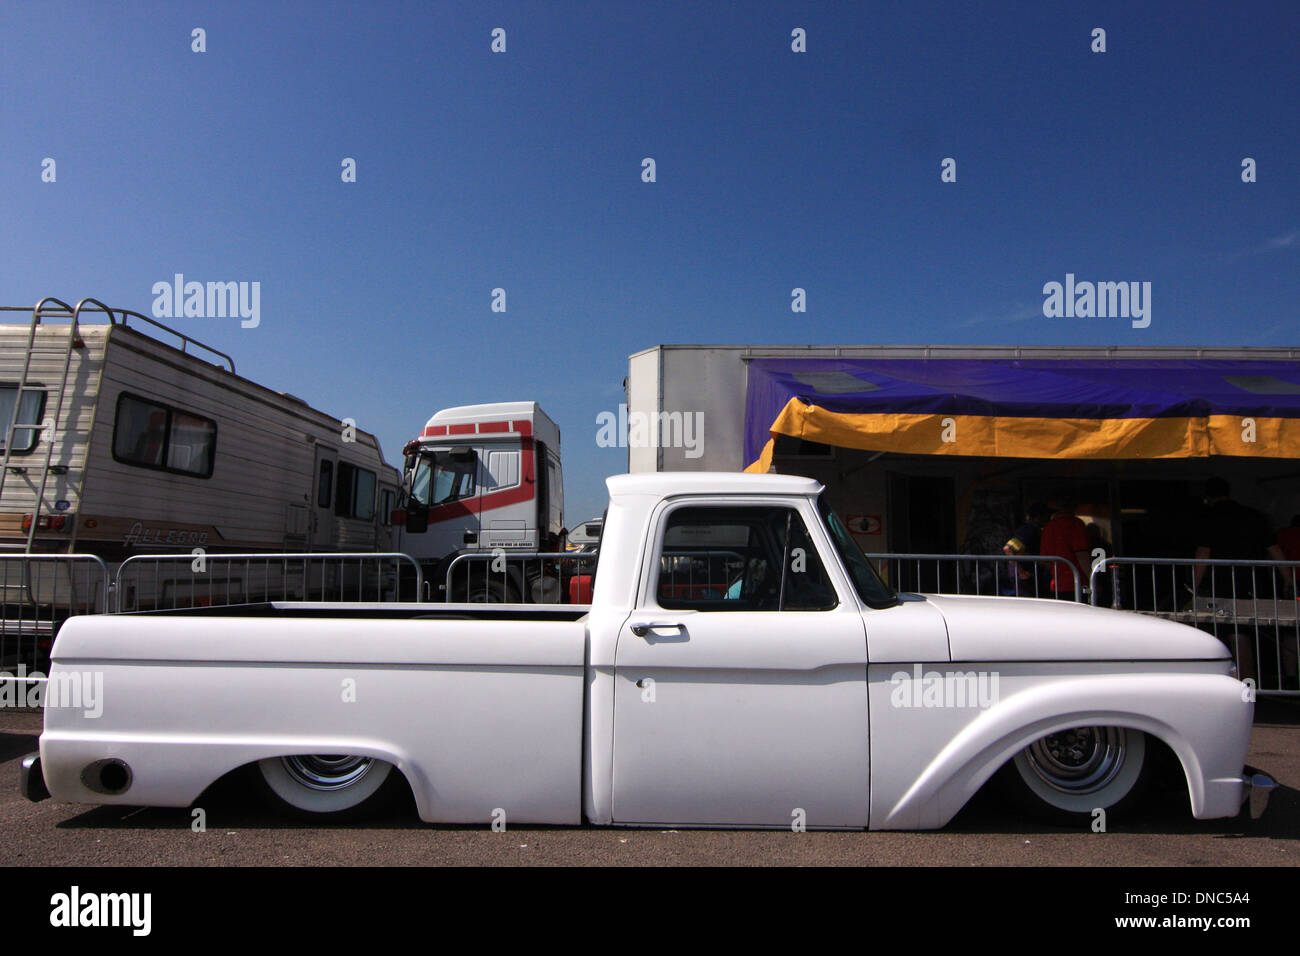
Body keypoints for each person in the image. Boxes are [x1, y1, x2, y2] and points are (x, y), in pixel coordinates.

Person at [1039, 494, 1090, 599]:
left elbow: (1044, 559)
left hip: (1057, 584)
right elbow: (1082, 555)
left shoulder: (1048, 527)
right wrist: (1092, 579)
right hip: (1078, 582)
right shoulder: (1076, 524)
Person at [1002, 502, 1049, 596]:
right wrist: (1021, 572)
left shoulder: (1033, 529)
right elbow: (1008, 549)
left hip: (1026, 575)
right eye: (1046, 515)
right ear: (1039, 516)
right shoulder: (1028, 530)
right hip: (1024, 577)